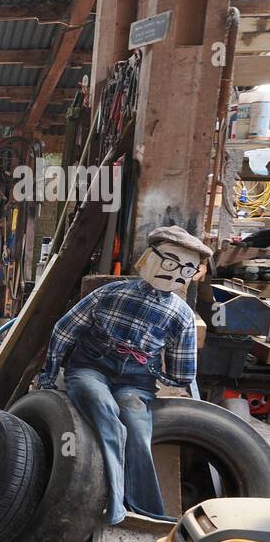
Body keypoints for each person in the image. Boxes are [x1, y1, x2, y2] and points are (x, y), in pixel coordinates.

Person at [35, 225, 212, 525]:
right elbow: (65, 329)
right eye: (169, 262)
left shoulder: (180, 316)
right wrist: (50, 375)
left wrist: (152, 368)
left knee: (137, 427)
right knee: (103, 408)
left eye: (187, 268)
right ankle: (116, 504)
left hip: (135, 382)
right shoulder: (112, 293)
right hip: (90, 368)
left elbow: (183, 374)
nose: (175, 273)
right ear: (149, 258)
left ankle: (148, 514)